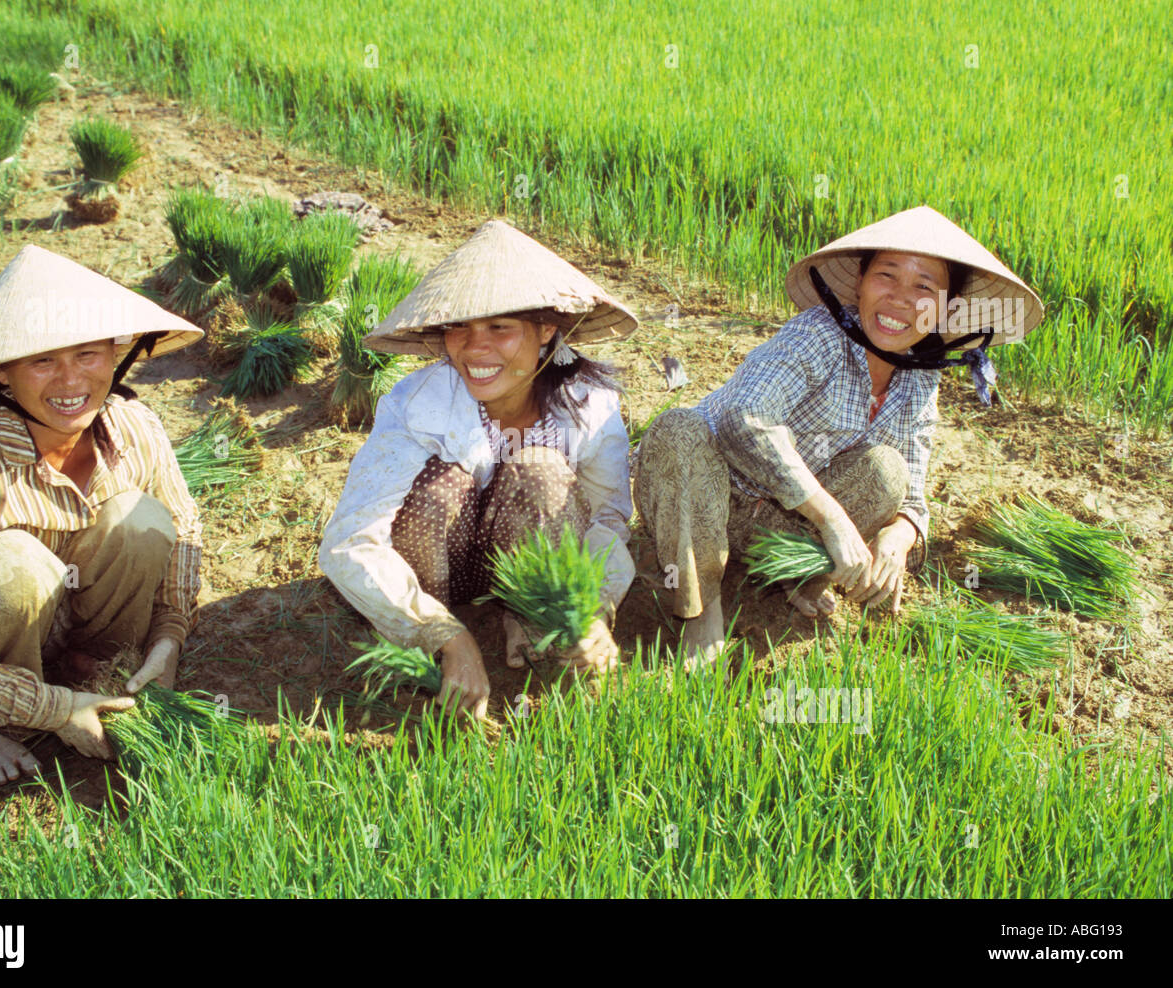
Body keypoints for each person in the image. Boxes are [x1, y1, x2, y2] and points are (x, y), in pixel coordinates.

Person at [635, 205, 1044, 665]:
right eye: (887, 275)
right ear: (861, 283)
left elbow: (912, 491)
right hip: (707, 504)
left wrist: (897, 538)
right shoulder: (819, 334)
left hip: (780, 526)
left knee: (887, 472)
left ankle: (793, 576)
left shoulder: (921, 378)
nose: (900, 299)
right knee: (678, 428)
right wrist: (832, 519)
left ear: (945, 310)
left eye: (924, 287)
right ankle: (702, 611)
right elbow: (742, 415)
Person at [0, 245, 205, 785]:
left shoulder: (135, 426)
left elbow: (184, 529)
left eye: (87, 354)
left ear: (115, 352)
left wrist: (168, 639)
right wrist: (51, 709)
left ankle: (98, 673)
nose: (70, 381)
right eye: (42, 361)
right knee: (18, 565)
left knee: (142, 519)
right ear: (2, 372)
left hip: (75, 618)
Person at [319, 219, 638, 719]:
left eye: (500, 328)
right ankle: (432, 646)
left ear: (546, 329)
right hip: (441, 569)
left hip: (533, 565)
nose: (474, 348)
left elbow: (607, 519)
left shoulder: (589, 405)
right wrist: (445, 633)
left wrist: (596, 608)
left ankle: (531, 621)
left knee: (540, 469)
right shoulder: (418, 404)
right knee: (440, 484)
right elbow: (350, 541)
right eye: (459, 327)